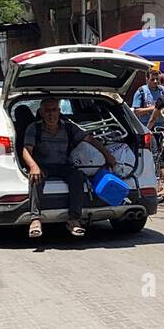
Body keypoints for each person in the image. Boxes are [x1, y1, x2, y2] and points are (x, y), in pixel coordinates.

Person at [22, 97, 115, 239]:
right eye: (47, 111)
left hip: (63, 165)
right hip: (43, 166)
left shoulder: (68, 127)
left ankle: (74, 220)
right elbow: (26, 150)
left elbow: (90, 139)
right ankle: (35, 219)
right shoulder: (33, 128)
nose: (51, 114)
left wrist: (108, 156)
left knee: (78, 176)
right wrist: (34, 167)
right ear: (41, 112)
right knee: (35, 178)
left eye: (54, 110)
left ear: (59, 112)